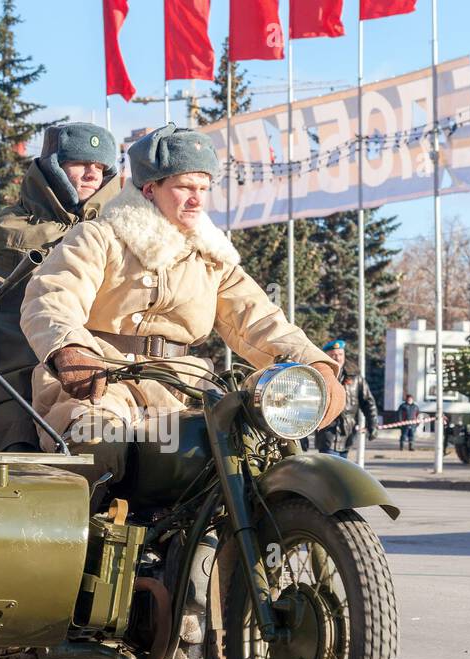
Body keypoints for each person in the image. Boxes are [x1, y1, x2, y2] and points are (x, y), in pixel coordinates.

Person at [20, 122, 346, 484]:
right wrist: (69, 348)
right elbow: (53, 294)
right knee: (99, 446)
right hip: (98, 384)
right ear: (149, 189)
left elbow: (256, 317)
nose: (197, 199)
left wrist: (314, 363)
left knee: (248, 450)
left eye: (203, 188)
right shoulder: (99, 238)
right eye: (185, 187)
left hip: (186, 387)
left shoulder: (211, 256)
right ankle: (86, 540)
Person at [0, 122, 121, 452]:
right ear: (53, 167)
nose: (92, 174)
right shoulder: (7, 232)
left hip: (110, 381)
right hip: (17, 383)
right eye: (80, 164)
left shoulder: (121, 231)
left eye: (101, 167)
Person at [313, 340, 379, 460]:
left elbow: (368, 402)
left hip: (348, 432)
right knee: (332, 468)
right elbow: (309, 404)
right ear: (327, 356)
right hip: (327, 431)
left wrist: (372, 424)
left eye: (340, 354)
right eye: (333, 355)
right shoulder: (319, 376)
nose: (337, 358)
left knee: (341, 468)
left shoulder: (355, 377)